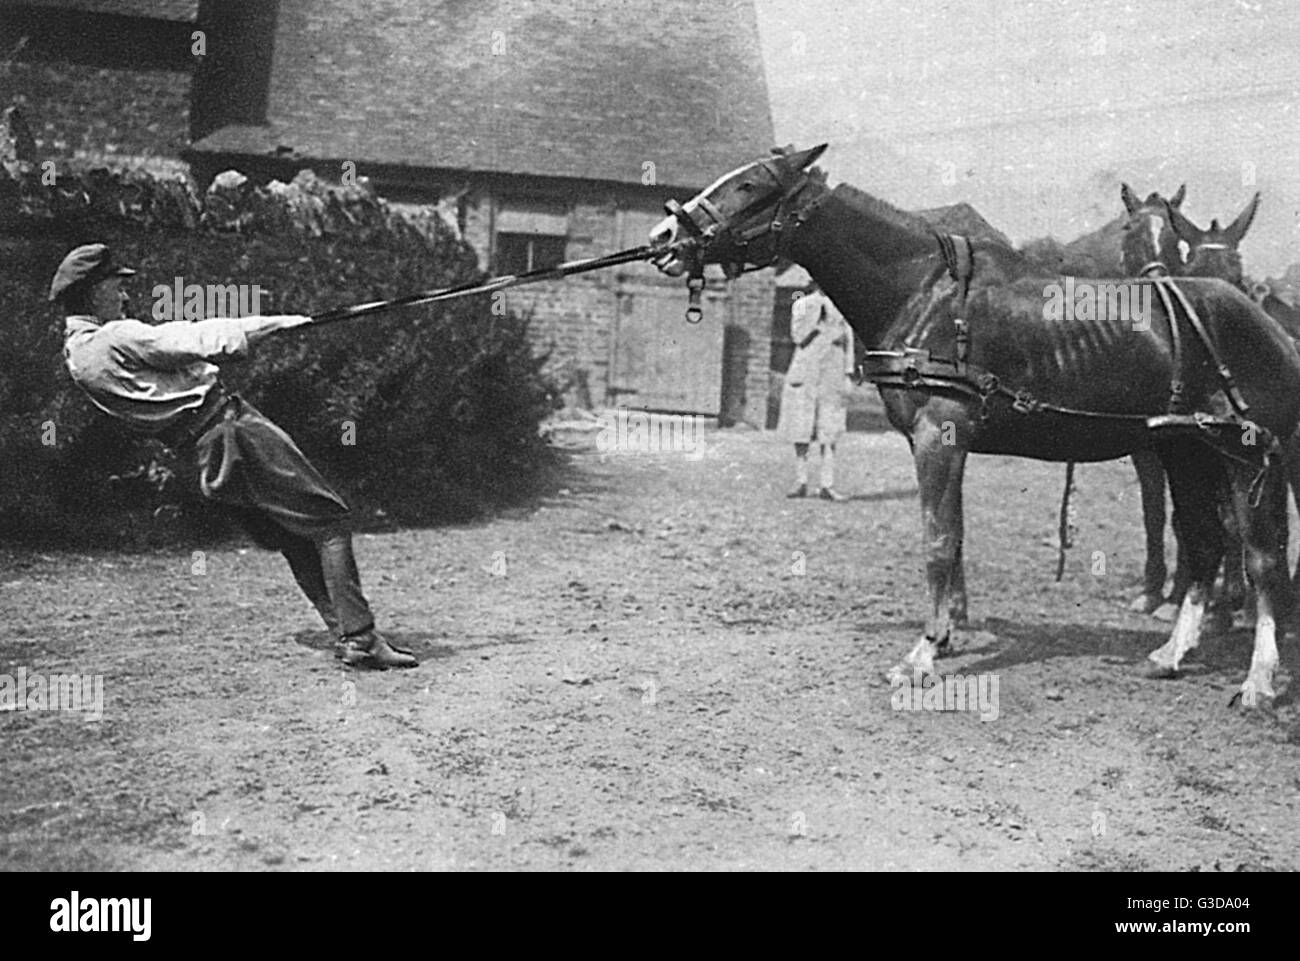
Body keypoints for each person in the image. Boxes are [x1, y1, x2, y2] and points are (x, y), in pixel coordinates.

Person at [53, 243, 415, 670]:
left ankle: (348, 634)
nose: (126, 297)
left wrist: (264, 326)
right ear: (94, 292)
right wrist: (277, 325)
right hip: (233, 431)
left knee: (294, 535)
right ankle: (361, 637)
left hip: (198, 453)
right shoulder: (115, 336)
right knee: (330, 521)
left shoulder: (77, 356)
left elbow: (180, 341)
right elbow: (197, 338)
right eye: (117, 287)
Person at [778, 279, 855, 500]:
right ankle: (801, 481)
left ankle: (827, 484)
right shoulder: (802, 304)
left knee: (829, 429)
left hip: (833, 369)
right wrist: (818, 322)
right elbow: (798, 336)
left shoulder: (842, 304)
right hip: (806, 367)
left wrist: (848, 374)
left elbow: (848, 341)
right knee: (801, 428)